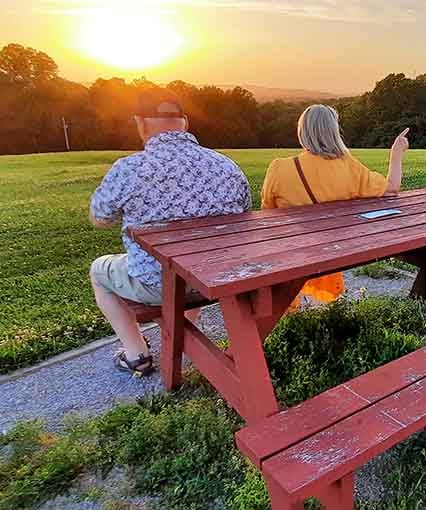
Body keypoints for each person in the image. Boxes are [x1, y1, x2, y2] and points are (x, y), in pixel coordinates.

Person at [89, 89, 252, 377]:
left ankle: (136, 354)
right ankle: (181, 333)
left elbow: (100, 218)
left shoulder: (129, 169)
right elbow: (244, 215)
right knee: (191, 264)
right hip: (214, 277)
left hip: (159, 283)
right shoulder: (226, 166)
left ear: (140, 123)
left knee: (99, 271)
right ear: (185, 123)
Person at [261, 104, 409, 306]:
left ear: (302, 131)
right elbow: (392, 188)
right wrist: (396, 151)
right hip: (332, 254)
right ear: (333, 131)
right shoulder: (348, 167)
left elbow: (266, 214)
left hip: (290, 257)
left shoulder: (279, 168)